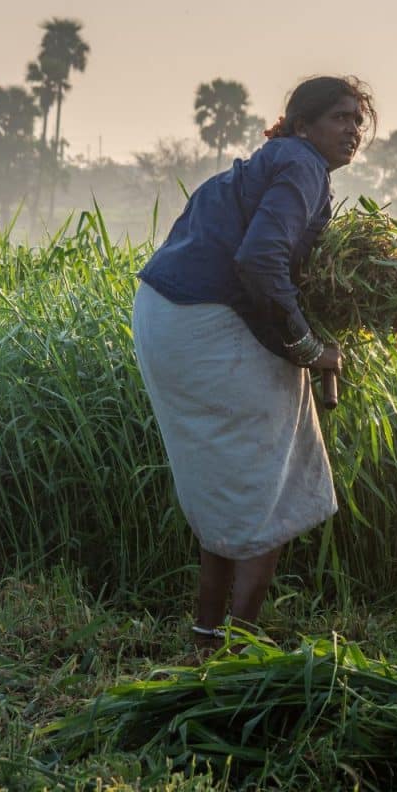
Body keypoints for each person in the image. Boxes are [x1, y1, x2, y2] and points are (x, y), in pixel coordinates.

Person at [132, 75, 376, 653]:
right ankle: (241, 645)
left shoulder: (275, 162)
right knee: (270, 480)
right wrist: (310, 348)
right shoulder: (302, 165)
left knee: (234, 481)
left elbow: (252, 264)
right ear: (302, 124)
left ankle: (208, 637)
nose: (353, 130)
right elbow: (261, 262)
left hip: (170, 316)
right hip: (204, 322)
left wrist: (301, 340)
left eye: (358, 121)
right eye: (340, 117)